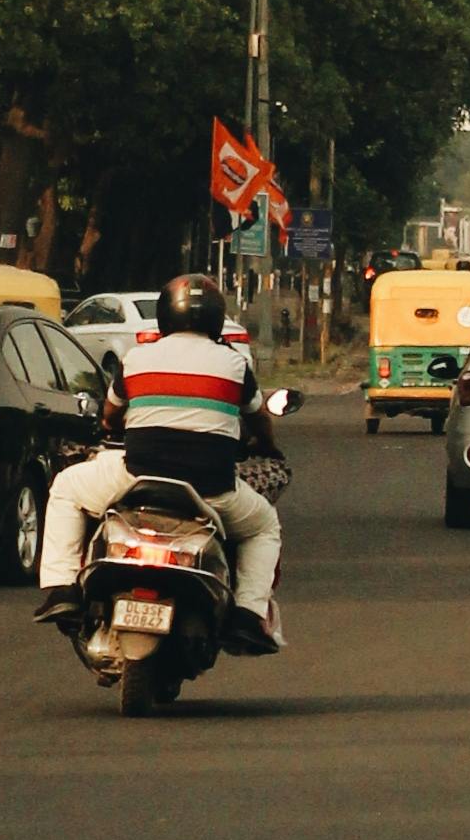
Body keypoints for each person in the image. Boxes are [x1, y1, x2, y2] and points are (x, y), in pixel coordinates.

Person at [36, 267, 287, 651]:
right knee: (264, 525)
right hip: (211, 491)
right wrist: (267, 446)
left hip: (137, 477)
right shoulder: (236, 365)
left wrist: (111, 426)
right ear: (217, 319)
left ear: (166, 315)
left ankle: (60, 588)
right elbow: (258, 419)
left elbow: (110, 416)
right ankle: (248, 614)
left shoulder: (138, 358)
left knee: (66, 489)